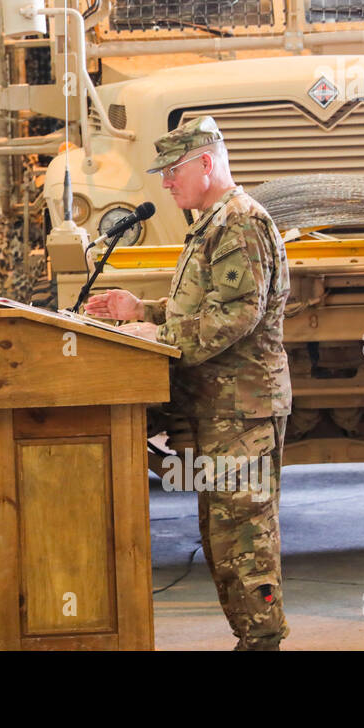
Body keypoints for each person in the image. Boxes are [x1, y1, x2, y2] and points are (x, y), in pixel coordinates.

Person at [83, 116, 292, 650]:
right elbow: (202, 309)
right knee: (223, 536)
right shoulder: (211, 222)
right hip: (218, 407)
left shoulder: (239, 223)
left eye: (173, 171)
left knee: (244, 536)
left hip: (241, 410)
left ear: (206, 163)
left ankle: (263, 641)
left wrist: (162, 331)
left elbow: (237, 316)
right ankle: (252, 638)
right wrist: (141, 310)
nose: (166, 183)